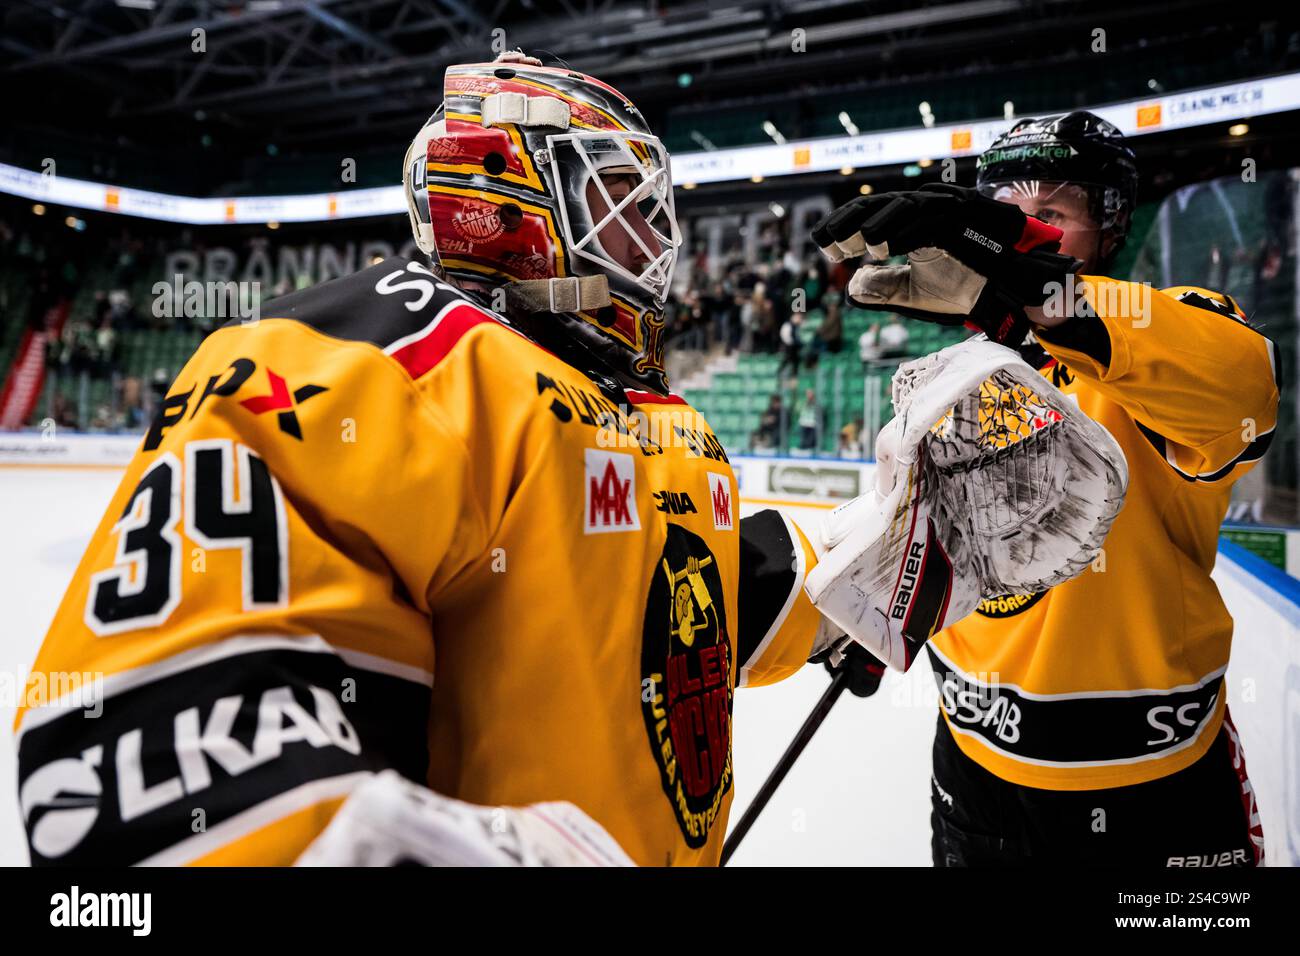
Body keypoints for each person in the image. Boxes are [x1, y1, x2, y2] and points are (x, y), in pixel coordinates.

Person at [17, 52, 853, 868]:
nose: (654, 239)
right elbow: (149, 733)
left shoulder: (641, 408)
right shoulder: (369, 360)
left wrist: (849, 593)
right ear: (511, 198)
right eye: (620, 205)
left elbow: (654, 605)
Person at [813, 110, 1276, 866]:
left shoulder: (1157, 334)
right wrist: (885, 611)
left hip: (1151, 788)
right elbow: (947, 530)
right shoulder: (967, 369)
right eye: (1010, 214)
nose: (1025, 230)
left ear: (1111, 226)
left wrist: (1052, 299)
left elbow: (1244, 387)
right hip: (974, 776)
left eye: (1053, 214)